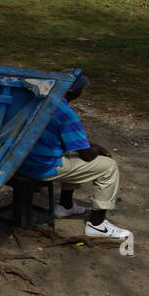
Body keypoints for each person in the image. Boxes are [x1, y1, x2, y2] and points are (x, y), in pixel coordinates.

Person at [17, 72, 130, 239]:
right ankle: (98, 225)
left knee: (70, 154)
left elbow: (72, 142)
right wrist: (97, 150)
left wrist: (91, 145)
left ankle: (66, 205)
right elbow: (87, 157)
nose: (82, 90)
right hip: (42, 167)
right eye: (81, 88)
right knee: (108, 167)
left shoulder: (38, 102)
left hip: (23, 161)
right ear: (71, 91)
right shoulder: (65, 114)